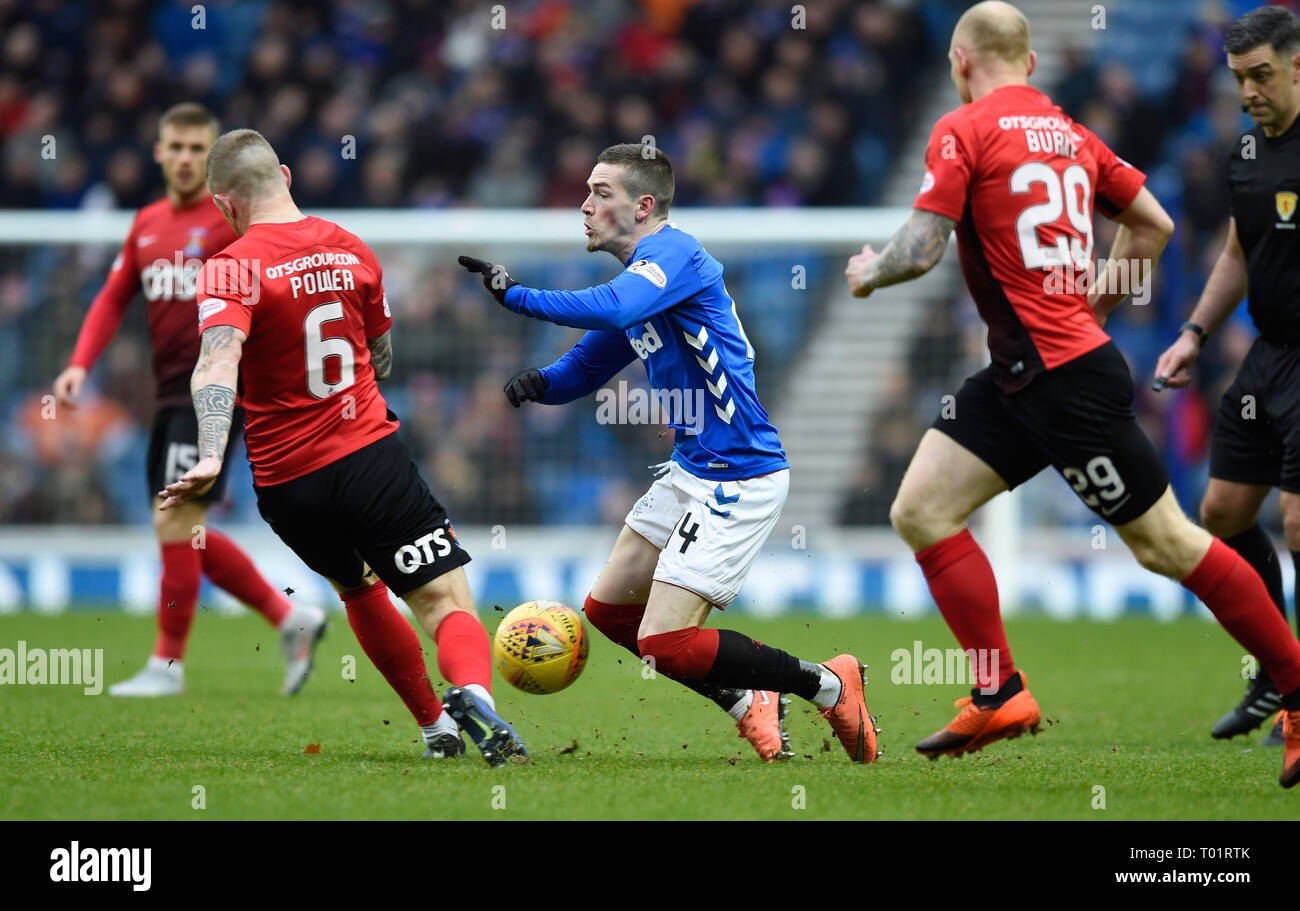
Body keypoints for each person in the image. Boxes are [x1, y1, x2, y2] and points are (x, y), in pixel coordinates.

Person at [843, 0, 1300, 787]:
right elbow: (1152, 222)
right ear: (1028, 61)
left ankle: (1297, 685)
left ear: (960, 62)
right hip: (1026, 371)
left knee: (1168, 545)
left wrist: (868, 271)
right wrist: (1097, 305)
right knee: (920, 507)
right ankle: (1000, 690)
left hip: (1064, 383)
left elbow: (920, 250)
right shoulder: (1069, 133)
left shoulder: (964, 127)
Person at [459, 143, 876, 763]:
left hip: (740, 475)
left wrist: (518, 295)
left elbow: (616, 308)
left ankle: (831, 683)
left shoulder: (674, 255)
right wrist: (543, 383)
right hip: (691, 470)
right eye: (588, 191)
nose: (586, 204)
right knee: (606, 611)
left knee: (665, 642)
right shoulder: (642, 280)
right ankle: (748, 702)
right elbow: (593, 358)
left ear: (643, 205)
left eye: (602, 193)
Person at [159, 128, 526, 766]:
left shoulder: (229, 267)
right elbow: (380, 355)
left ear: (223, 204)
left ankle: (434, 727)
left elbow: (217, 364)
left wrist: (212, 455)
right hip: (365, 457)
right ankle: (471, 695)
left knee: (356, 588)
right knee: (441, 598)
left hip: (284, 482)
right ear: (287, 175)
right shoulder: (350, 248)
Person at [52, 103, 325, 697]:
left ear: (213, 161)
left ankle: (167, 666)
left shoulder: (234, 221)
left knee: (176, 520)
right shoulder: (146, 224)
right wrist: (79, 365)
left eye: (196, 150)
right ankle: (289, 619)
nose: (183, 159)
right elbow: (112, 297)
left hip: (217, 392)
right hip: (169, 396)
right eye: (173, 147)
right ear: (158, 151)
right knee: (180, 526)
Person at [1154, 5, 1300, 747]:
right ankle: (1282, 671)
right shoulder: (1244, 151)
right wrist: (1193, 333)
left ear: (1297, 66)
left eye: (1263, 75)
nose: (1250, 91)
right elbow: (1240, 253)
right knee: (1222, 514)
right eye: (1240, 78)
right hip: (1267, 354)